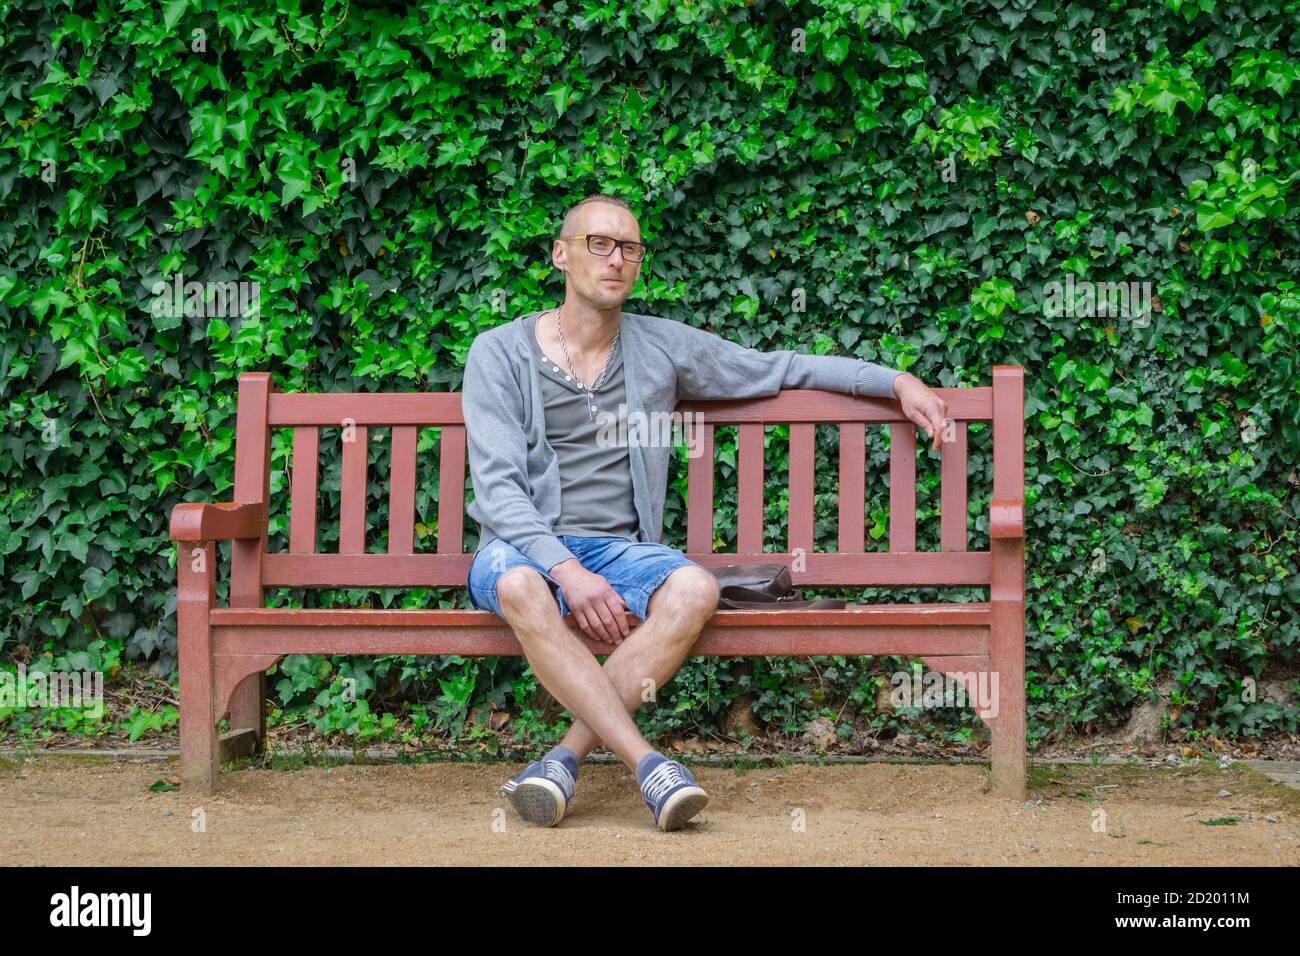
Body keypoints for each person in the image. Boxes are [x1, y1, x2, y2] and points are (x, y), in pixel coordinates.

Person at [462, 194, 949, 830]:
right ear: (561, 254)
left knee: (694, 587)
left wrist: (894, 382)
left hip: (618, 551)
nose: (615, 259)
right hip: (520, 548)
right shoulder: (498, 352)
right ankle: (648, 765)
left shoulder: (660, 346)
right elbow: (499, 492)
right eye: (598, 243)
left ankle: (561, 761)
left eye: (629, 248)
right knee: (523, 585)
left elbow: (781, 368)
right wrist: (568, 572)